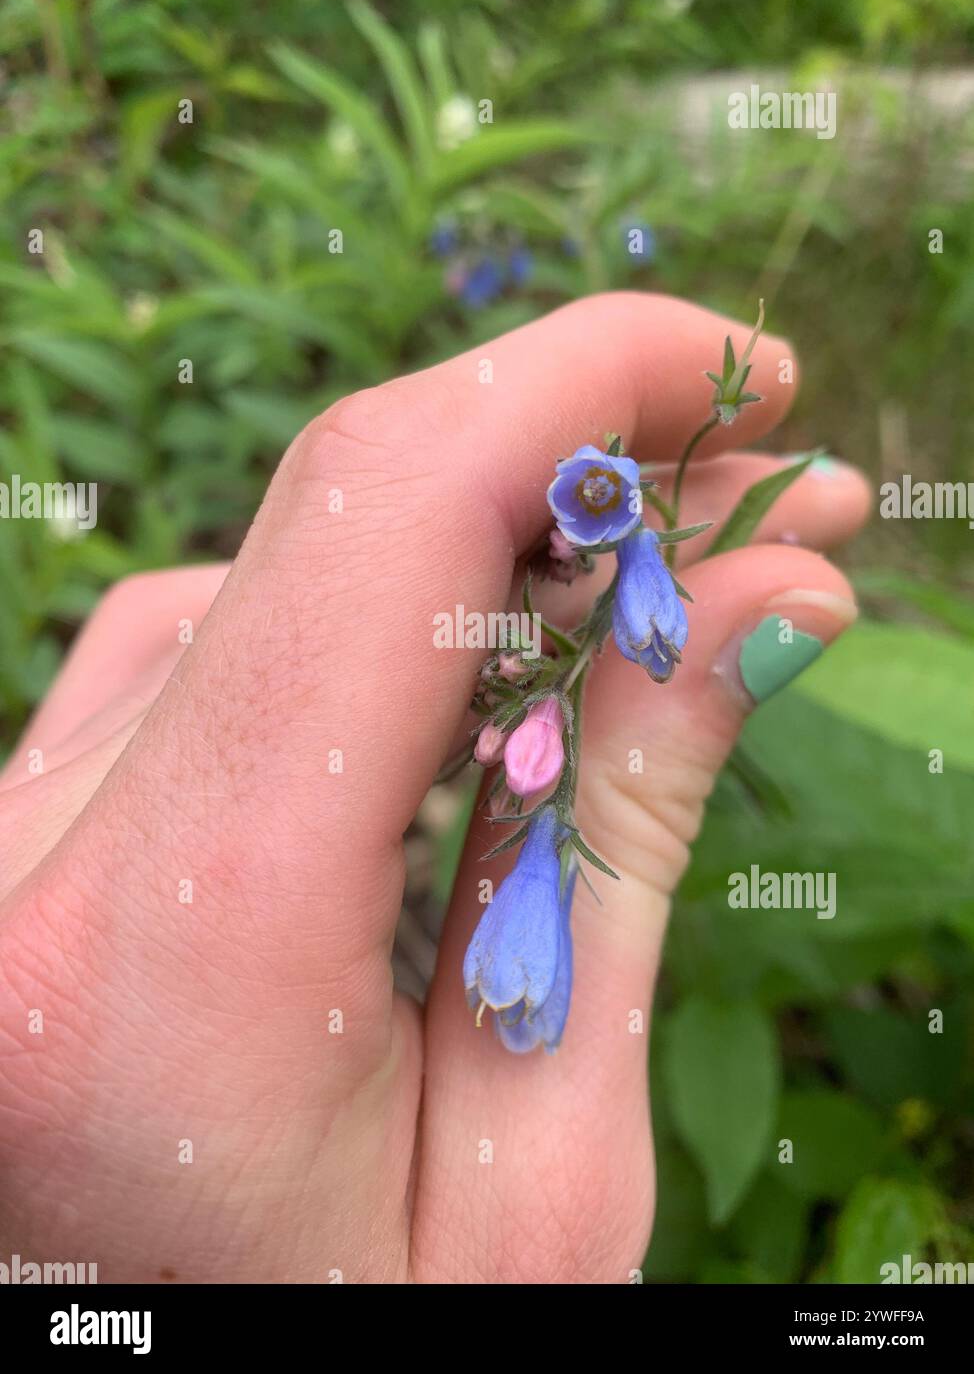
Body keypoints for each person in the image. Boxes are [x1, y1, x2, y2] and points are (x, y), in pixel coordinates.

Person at [0, 293, 869, 1283]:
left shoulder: (618, 523)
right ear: (576, 486)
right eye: (586, 493)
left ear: (613, 490)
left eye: (604, 495)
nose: (592, 501)